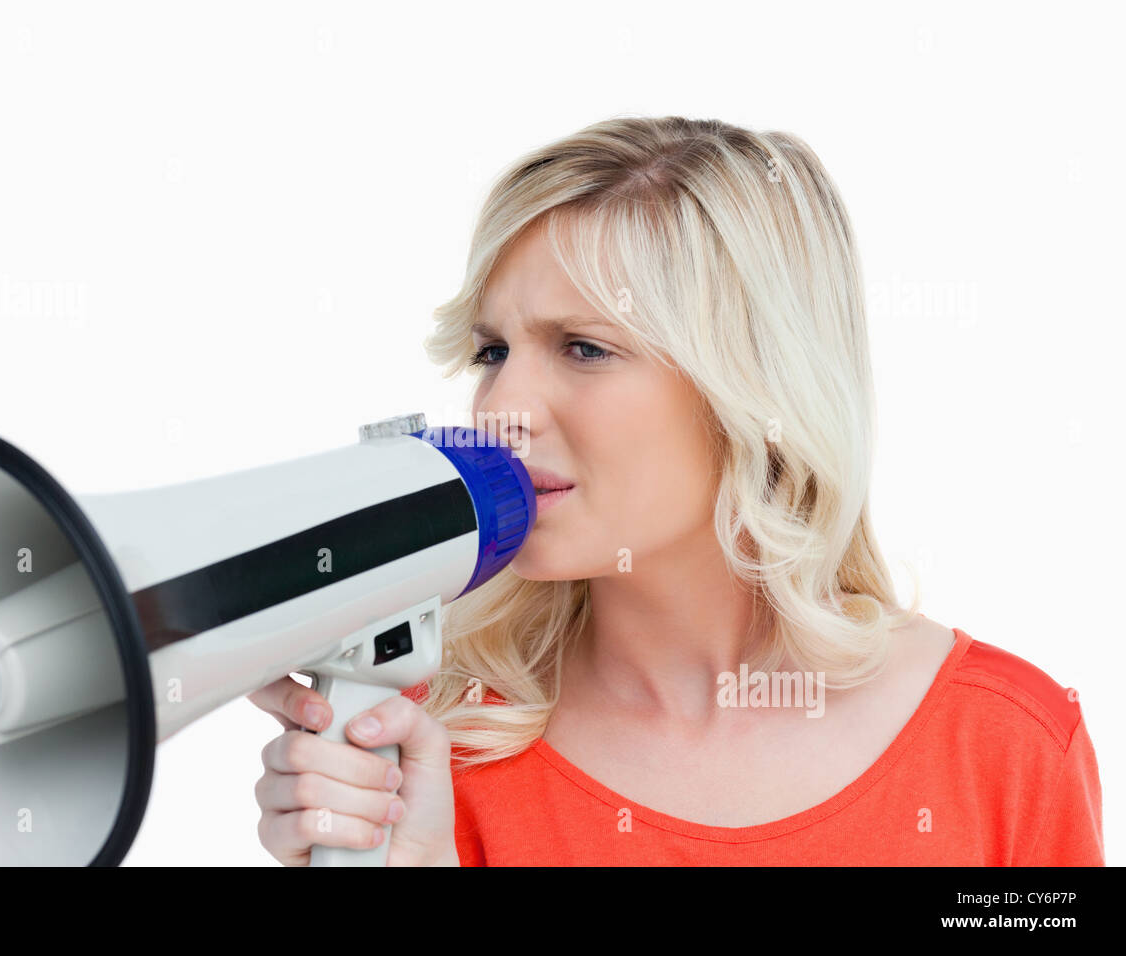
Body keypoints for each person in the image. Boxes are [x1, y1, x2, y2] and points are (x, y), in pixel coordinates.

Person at [249, 116, 1104, 866]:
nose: (499, 413)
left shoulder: (1006, 747)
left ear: (758, 389)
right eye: (491, 352)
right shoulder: (426, 745)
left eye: (584, 348)